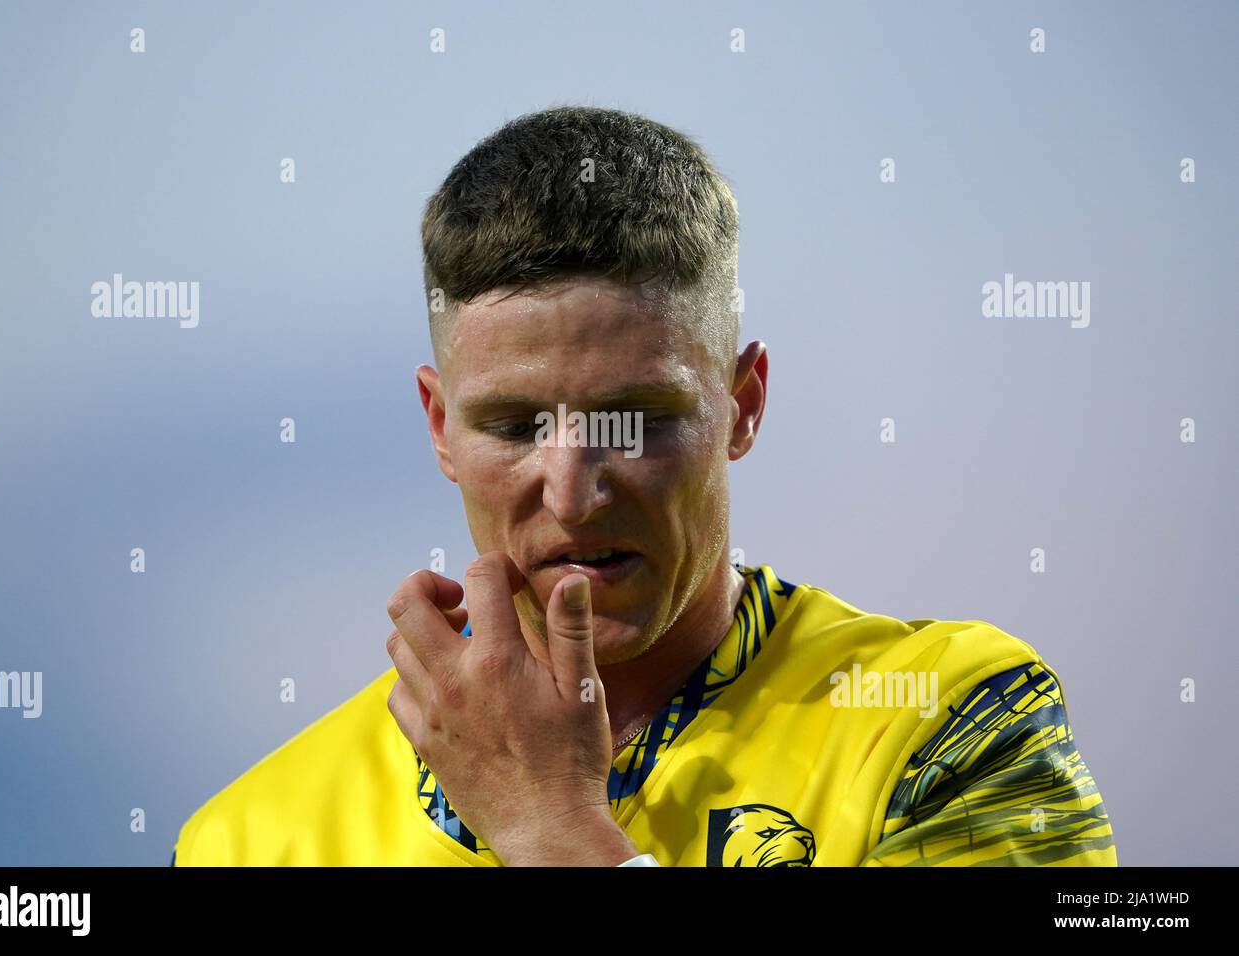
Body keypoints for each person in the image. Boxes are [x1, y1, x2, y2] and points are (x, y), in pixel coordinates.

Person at [172, 105, 1116, 867]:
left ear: (743, 406)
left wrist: (555, 835)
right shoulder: (246, 843)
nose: (574, 494)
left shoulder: (952, 726)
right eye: (514, 426)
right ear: (439, 428)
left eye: (640, 418)